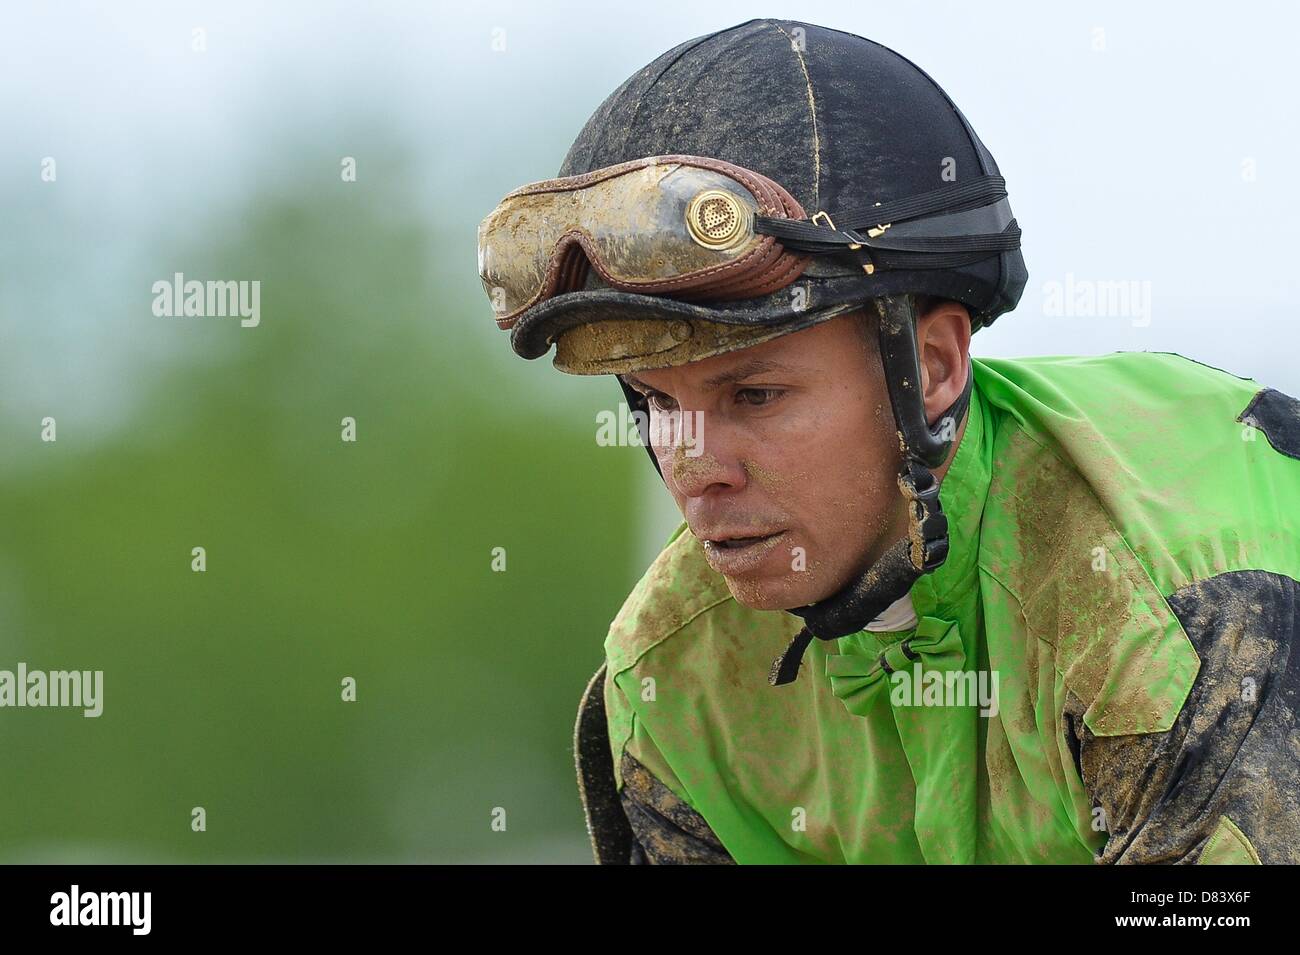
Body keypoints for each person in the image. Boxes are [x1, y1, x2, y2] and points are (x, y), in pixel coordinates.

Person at [477, 18, 1300, 864]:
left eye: (755, 394)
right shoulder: (672, 675)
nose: (694, 471)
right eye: (654, 401)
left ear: (934, 367)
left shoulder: (1184, 603)